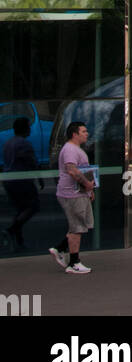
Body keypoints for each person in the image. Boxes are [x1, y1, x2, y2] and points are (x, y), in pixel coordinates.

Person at [49, 121, 95, 274]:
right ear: (74, 134)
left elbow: (83, 170)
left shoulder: (76, 149)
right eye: (83, 131)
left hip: (79, 193)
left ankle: (60, 248)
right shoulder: (70, 150)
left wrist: (89, 190)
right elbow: (72, 170)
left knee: (79, 226)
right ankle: (74, 263)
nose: (86, 134)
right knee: (77, 227)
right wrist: (87, 184)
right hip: (72, 194)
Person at [3, 116, 41, 250]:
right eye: (28, 127)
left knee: (20, 209)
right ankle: (12, 230)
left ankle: (18, 239)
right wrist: (39, 178)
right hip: (21, 180)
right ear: (25, 129)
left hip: (9, 180)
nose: (30, 129)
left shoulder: (8, 143)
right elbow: (31, 162)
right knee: (33, 205)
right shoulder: (23, 144)